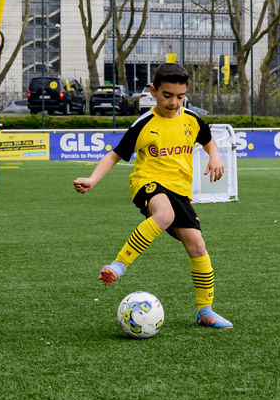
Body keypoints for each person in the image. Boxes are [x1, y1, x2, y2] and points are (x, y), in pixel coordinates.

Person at [73, 62, 233, 329]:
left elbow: (207, 138)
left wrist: (214, 156)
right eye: (167, 95)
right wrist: (92, 179)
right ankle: (119, 264)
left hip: (180, 191)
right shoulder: (145, 123)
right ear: (153, 91)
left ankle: (205, 311)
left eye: (180, 96)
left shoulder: (191, 119)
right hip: (147, 183)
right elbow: (115, 154)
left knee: (198, 246)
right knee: (164, 214)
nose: (174, 102)